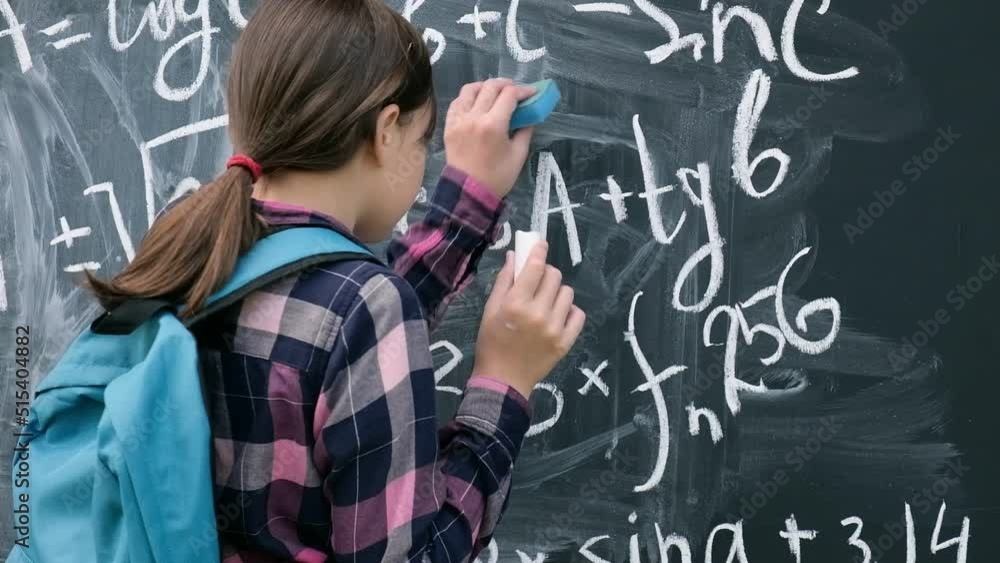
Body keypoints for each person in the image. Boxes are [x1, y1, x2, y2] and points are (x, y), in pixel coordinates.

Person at [82, 0, 585, 561]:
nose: (425, 157)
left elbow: (335, 340)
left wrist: (467, 204)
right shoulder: (360, 307)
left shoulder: (189, 253)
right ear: (386, 130)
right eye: (423, 140)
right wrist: (502, 381)